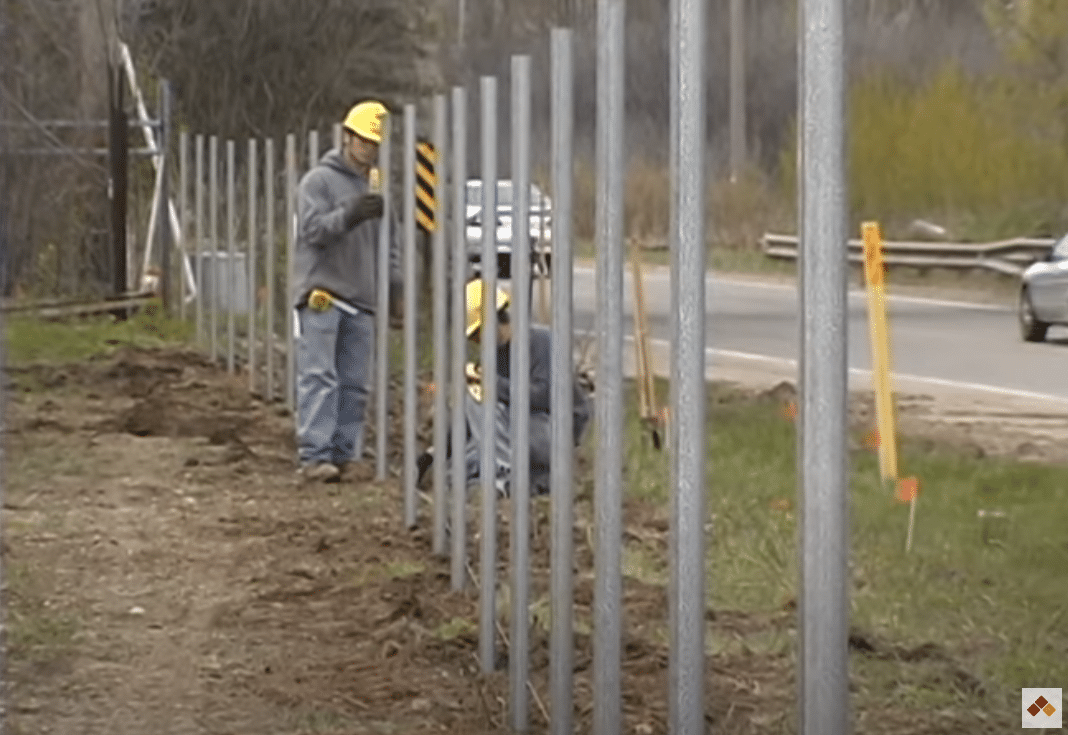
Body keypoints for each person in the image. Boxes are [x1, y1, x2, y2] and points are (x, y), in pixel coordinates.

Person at [292, 100, 401, 482]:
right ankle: (314, 456)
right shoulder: (318, 182)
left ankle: (343, 454)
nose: (368, 149)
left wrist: (395, 286)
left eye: (374, 143)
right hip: (323, 293)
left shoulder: (378, 188)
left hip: (362, 298)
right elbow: (313, 231)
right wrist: (350, 214)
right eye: (363, 141)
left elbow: (390, 243)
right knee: (320, 375)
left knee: (355, 383)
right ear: (347, 137)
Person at [418, 280, 591, 496]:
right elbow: (472, 417)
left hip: (549, 432)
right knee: (453, 473)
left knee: (482, 406)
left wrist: (490, 383)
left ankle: (508, 477)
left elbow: (543, 396)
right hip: (512, 436)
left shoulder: (542, 343)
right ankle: (509, 476)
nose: (477, 342)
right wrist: (435, 453)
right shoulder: (497, 356)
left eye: (478, 334)